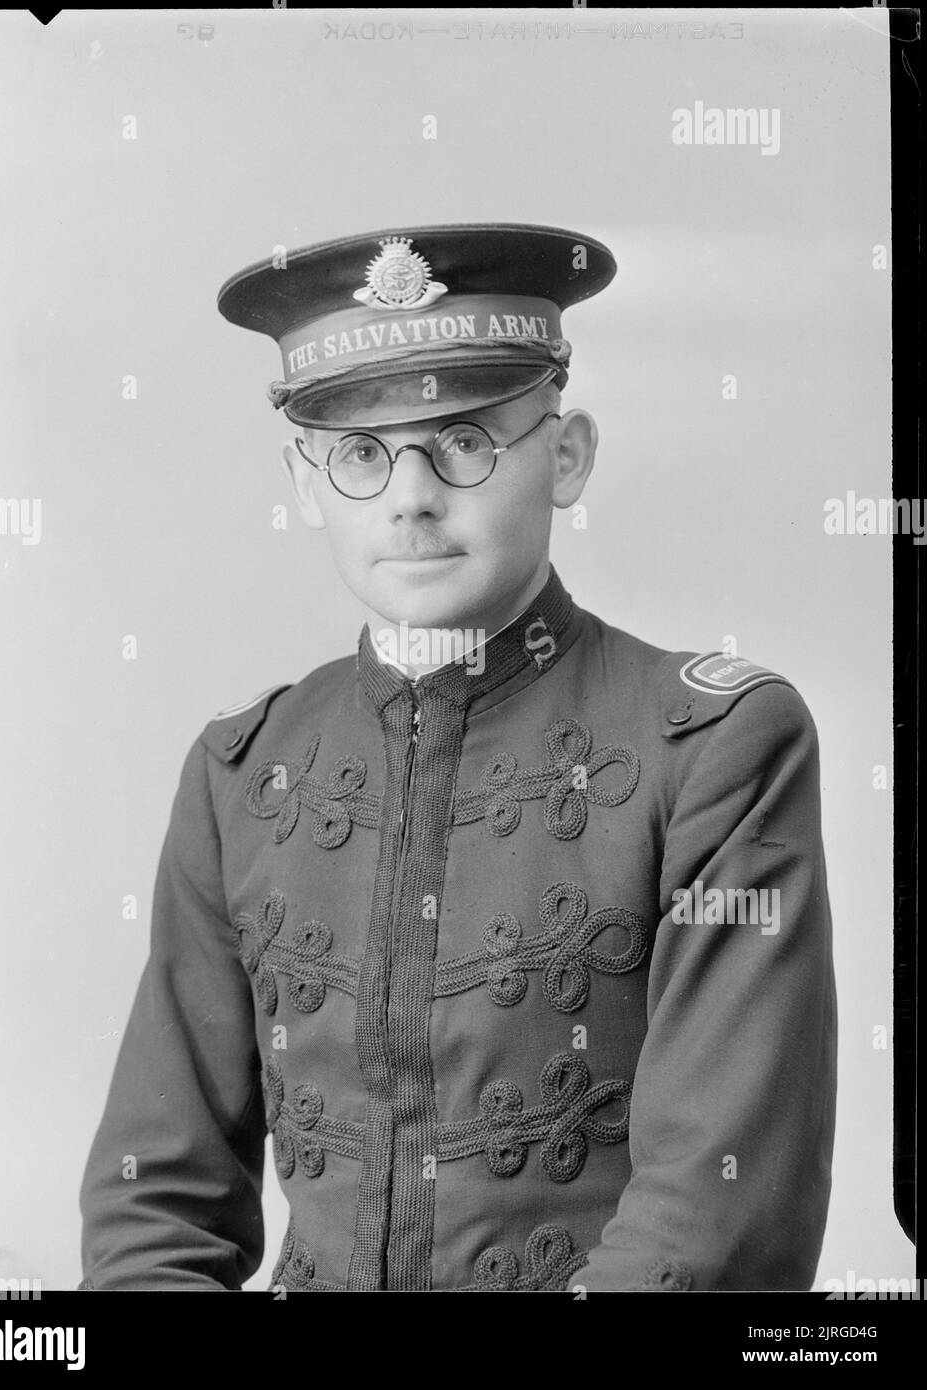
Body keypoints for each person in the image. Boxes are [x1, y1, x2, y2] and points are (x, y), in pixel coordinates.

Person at [79, 223, 837, 1292]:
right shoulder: (243, 774)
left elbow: (716, 1224)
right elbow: (151, 1196)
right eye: (360, 452)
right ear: (305, 483)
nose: (411, 495)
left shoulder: (713, 746)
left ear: (567, 455)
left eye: (467, 439)